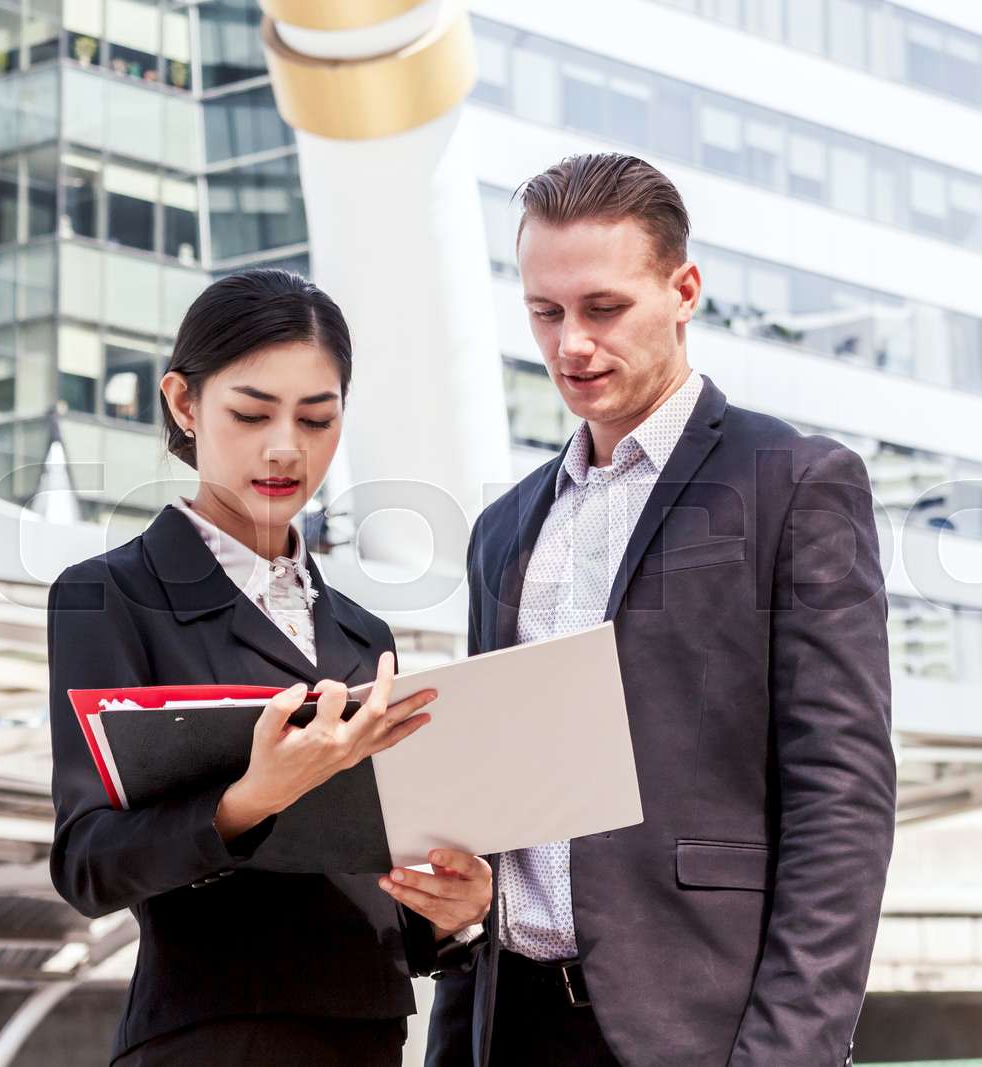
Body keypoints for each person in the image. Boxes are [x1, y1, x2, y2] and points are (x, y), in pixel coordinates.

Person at [427, 155, 896, 1066]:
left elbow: (842, 798)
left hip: (699, 1035)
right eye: (545, 312)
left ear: (684, 291)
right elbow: (491, 808)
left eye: (604, 308)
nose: (572, 344)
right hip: (512, 1024)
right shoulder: (504, 529)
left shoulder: (795, 484)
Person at [47, 268, 492, 1066]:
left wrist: (447, 910)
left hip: (366, 1038)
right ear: (184, 404)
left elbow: (367, 881)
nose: (287, 446)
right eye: (252, 413)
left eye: (317, 419)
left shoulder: (362, 631)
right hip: (211, 1036)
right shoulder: (109, 596)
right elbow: (87, 864)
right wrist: (251, 799)